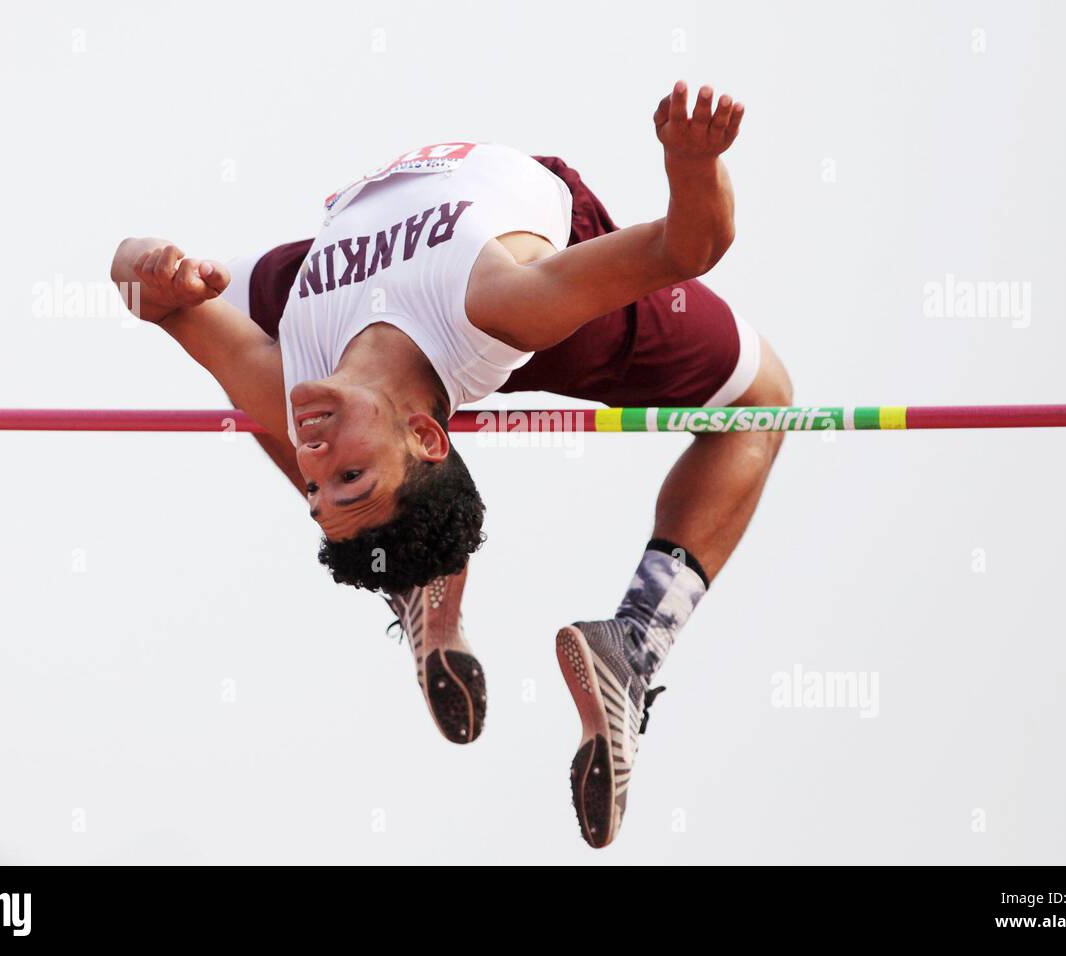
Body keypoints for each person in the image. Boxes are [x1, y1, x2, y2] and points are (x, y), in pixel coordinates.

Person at [109, 82, 792, 848]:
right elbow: (685, 247)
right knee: (764, 402)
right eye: (352, 479)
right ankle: (635, 642)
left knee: (248, 340)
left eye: (316, 489)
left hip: (333, 280)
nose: (314, 455)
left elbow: (135, 283)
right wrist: (692, 163)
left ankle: (417, 583)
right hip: (546, 297)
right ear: (430, 439)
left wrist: (151, 266)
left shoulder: (290, 381)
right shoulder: (505, 300)